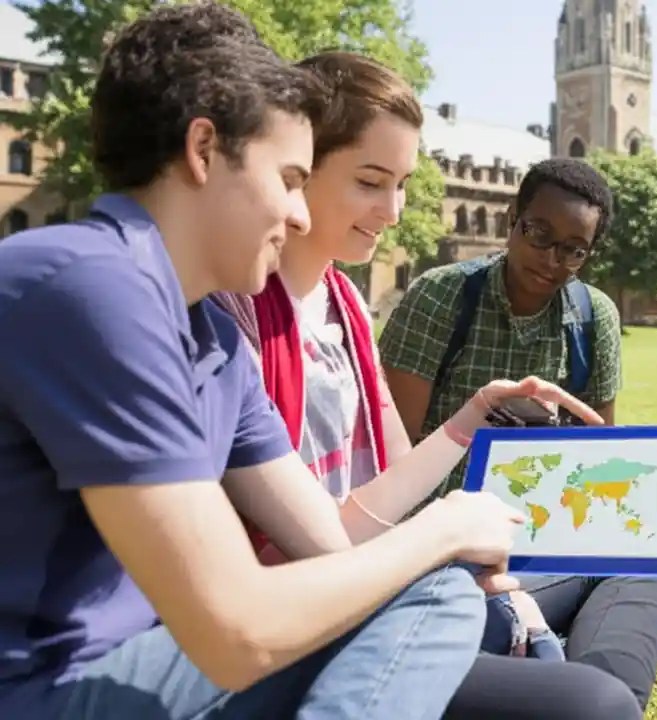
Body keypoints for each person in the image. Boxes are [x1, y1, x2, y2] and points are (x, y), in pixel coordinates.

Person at [0, 6, 555, 719]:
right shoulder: (89, 283)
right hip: (45, 688)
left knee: (433, 588)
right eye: (291, 178)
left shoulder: (212, 336)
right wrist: (444, 529)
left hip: (152, 666)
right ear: (204, 151)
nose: (298, 215)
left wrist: (446, 527)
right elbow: (237, 632)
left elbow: (333, 552)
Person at [211, 52, 642, 719]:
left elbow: (385, 487)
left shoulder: (345, 302)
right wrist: (451, 536)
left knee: (625, 580)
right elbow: (323, 546)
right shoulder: (231, 317)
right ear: (298, 164)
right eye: (370, 181)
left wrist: (471, 419)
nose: (393, 210)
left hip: (375, 585)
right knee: (595, 699)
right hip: (311, 613)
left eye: (404, 183)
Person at [378, 158, 657, 710]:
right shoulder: (442, 297)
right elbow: (392, 458)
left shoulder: (593, 316)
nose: (552, 260)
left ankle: (597, 693)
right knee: (635, 592)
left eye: (574, 249)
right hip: (450, 548)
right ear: (512, 220)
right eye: (538, 234)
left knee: (651, 571)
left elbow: (602, 454)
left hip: (545, 539)